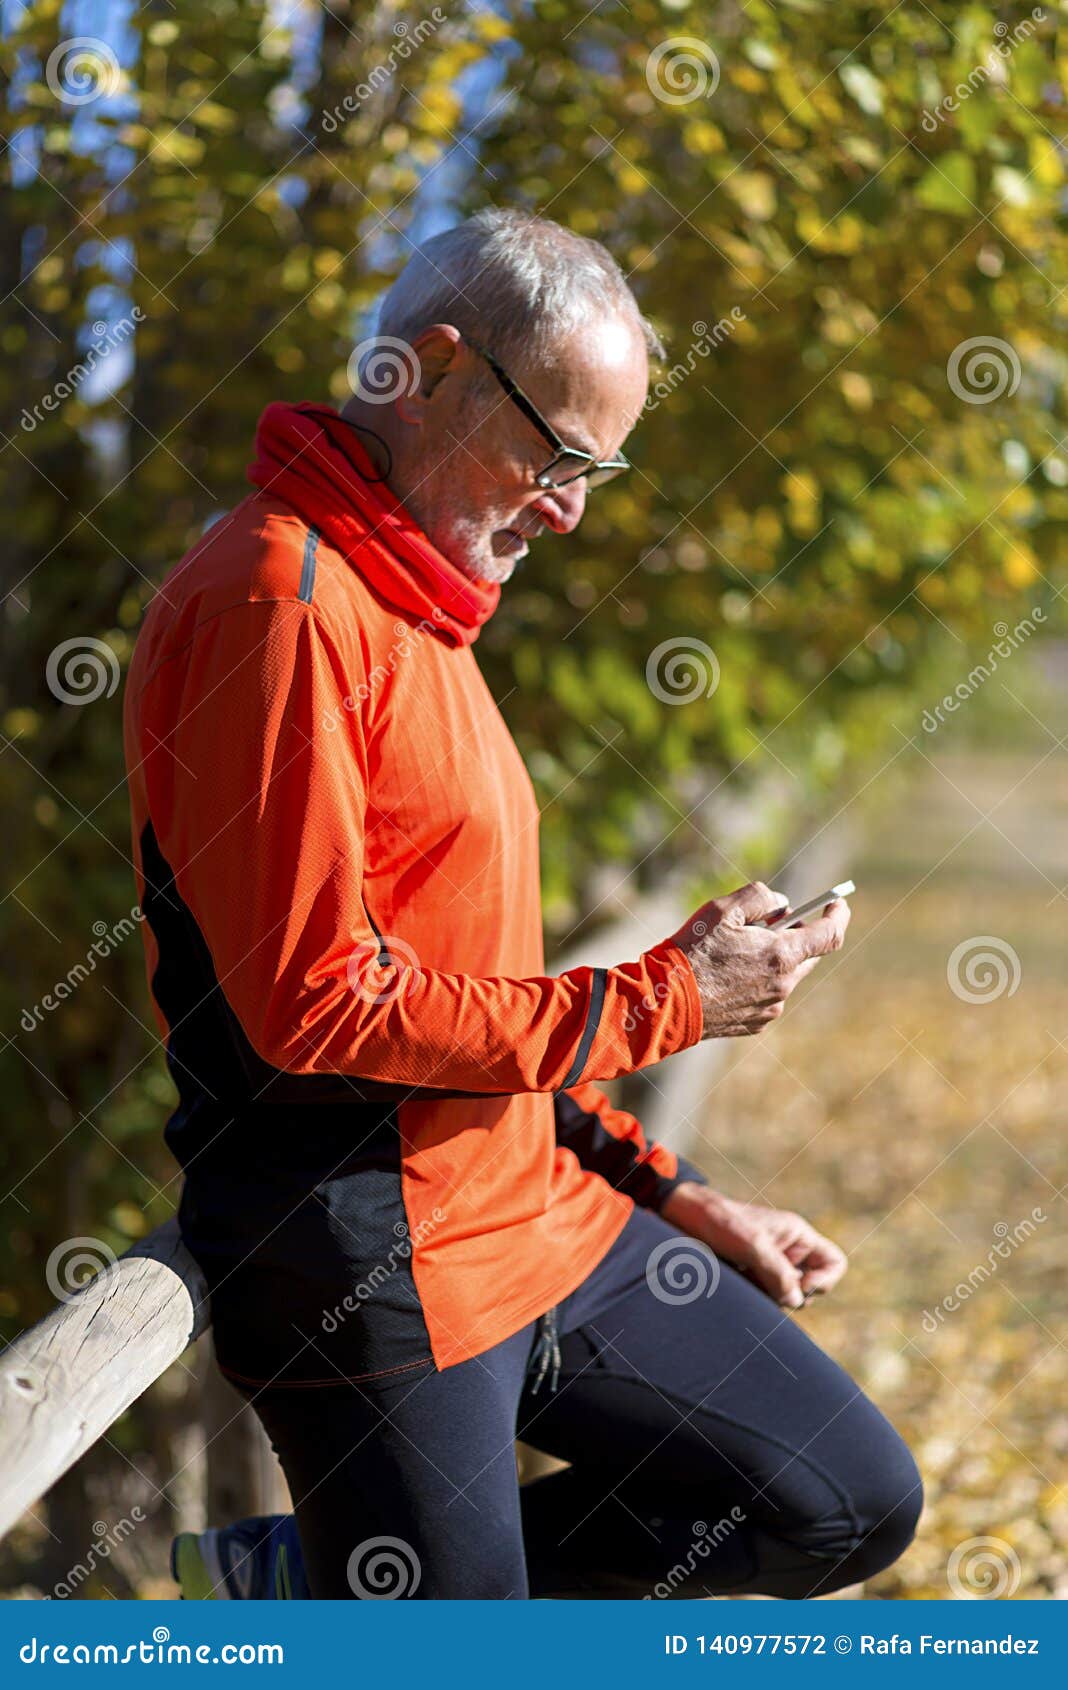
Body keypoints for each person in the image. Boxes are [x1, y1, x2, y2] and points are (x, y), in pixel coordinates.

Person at [124, 207, 921, 1601]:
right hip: (376, 1263)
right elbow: (317, 1006)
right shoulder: (280, 602)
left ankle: (305, 1588)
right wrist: (671, 997)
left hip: (540, 1213)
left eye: (595, 471)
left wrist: (675, 1193)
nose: (569, 508)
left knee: (849, 1499)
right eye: (556, 454)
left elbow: (472, 990)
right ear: (427, 371)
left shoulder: (423, 598)